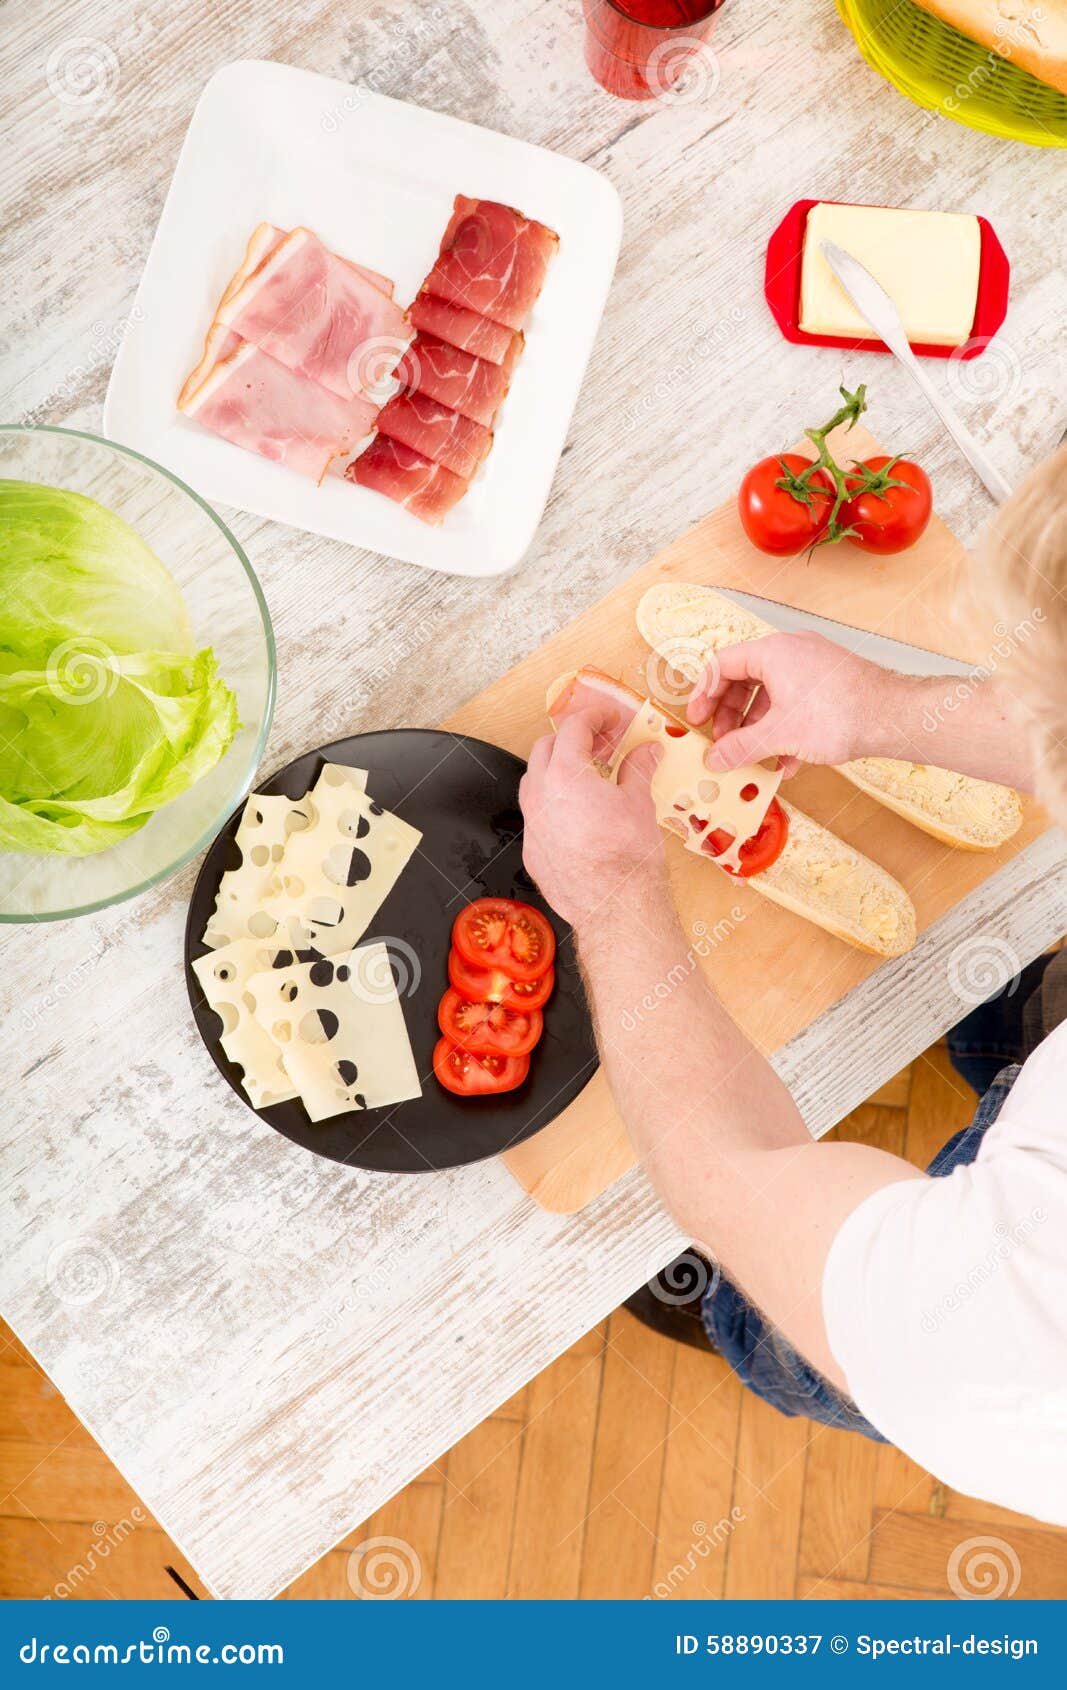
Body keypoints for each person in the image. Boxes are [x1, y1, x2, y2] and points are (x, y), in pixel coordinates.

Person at [518, 447, 1067, 1526]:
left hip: (948, 1342)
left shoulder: (1016, 1344)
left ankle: (741, 1317)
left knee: (791, 1318)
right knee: (1019, 1026)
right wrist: (882, 709)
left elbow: (731, 1171)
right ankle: (999, 1045)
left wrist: (613, 893)